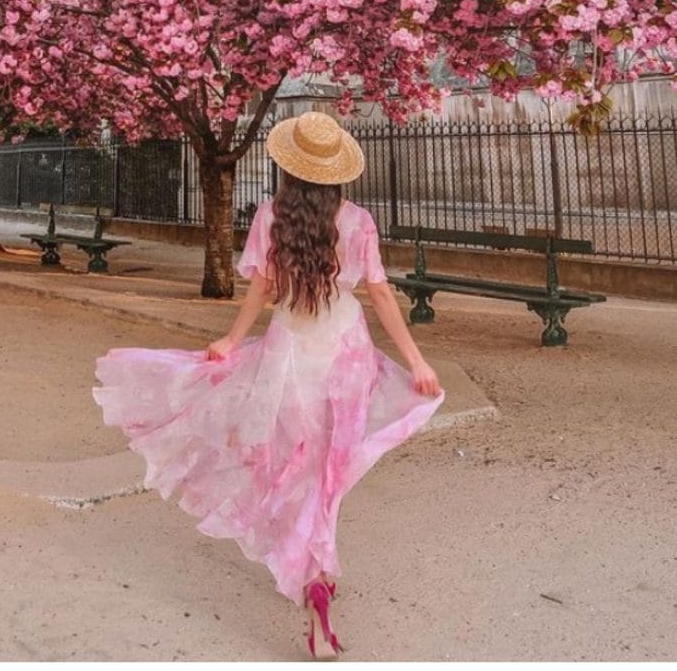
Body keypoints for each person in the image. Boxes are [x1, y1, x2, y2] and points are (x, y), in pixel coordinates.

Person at [95, 112, 445, 658]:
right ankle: (317, 576)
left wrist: (233, 342)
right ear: (336, 172)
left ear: (291, 167)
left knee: (294, 464)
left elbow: (259, 291)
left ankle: (314, 573)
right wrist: (417, 361)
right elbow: (379, 296)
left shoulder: (270, 216)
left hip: (288, 352)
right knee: (328, 469)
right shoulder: (359, 221)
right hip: (344, 353)